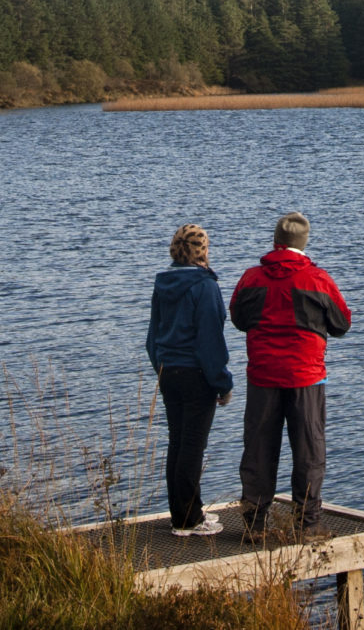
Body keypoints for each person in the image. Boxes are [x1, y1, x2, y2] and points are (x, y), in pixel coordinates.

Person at [230, 210, 352, 540]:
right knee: (309, 449)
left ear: (275, 241)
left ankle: (254, 524)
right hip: (306, 377)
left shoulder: (252, 278)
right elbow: (342, 323)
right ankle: (308, 524)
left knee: (258, 448)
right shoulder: (318, 279)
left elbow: (239, 318)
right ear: (303, 242)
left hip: (263, 376)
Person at [145, 222, 234, 536]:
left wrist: (162, 367)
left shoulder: (162, 283)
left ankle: (183, 513)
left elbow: (152, 337)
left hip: (169, 372)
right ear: (203, 251)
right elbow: (210, 341)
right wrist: (222, 383)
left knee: (178, 443)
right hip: (197, 375)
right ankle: (188, 520)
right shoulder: (205, 286)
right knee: (193, 447)